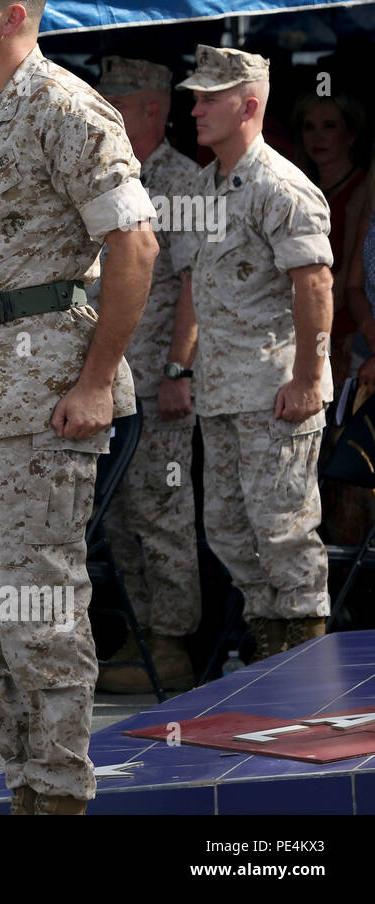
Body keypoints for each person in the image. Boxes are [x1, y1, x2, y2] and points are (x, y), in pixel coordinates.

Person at [0, 0, 158, 815]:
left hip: (41, 393)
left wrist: (97, 381)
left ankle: (60, 796)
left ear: (14, 13)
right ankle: (25, 786)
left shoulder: (66, 107)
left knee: (39, 607)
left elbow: (133, 244)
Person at [173, 45, 334, 660]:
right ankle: (274, 650)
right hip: (221, 390)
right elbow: (194, 280)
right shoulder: (201, 184)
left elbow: (315, 284)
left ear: (248, 104)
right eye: (194, 96)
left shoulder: (281, 186)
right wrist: (178, 366)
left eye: (209, 98)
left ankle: (307, 658)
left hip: (275, 391)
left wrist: (308, 378)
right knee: (230, 531)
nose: (195, 109)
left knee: (284, 530)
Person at [88, 57, 203, 694]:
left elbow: (192, 284)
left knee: (162, 510)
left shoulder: (180, 184)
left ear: (151, 110)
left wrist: (177, 368)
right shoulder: (116, 177)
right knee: (121, 512)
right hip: (115, 380)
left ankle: (170, 643)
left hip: (158, 377)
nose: (105, 113)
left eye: (118, 103)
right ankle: (138, 633)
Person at [293, 94, 367, 381]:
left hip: (340, 328)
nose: (317, 137)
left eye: (329, 126)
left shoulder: (361, 191)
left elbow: (351, 268)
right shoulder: (301, 187)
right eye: (309, 127)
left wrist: (312, 323)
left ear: (350, 136)